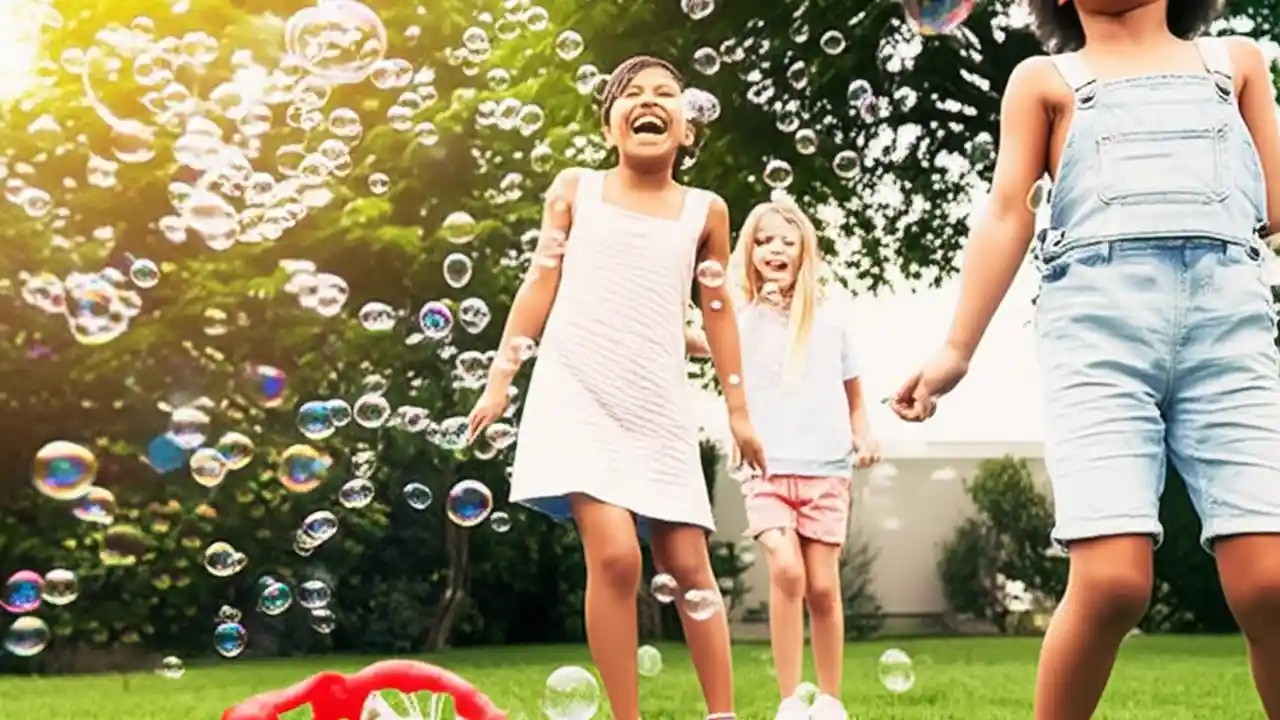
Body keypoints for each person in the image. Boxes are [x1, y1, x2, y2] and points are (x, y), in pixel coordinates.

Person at [889, 0, 1280, 716]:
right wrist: (955, 349)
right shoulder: (1046, 79)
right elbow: (1010, 211)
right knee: (1111, 584)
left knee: (1273, 582)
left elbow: (1277, 210)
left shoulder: (1238, 64)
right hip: (1098, 344)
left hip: (1232, 338)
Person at [466, 55, 766, 720]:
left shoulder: (706, 212)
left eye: (667, 93)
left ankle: (724, 715)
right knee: (616, 558)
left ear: (687, 130)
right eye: (631, 93)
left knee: (689, 563)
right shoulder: (577, 188)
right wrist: (500, 379)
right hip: (576, 389)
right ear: (610, 128)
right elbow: (539, 282)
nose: (649, 100)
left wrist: (739, 410)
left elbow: (717, 312)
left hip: (656, 398)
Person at [688, 197, 881, 720]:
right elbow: (696, 341)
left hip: (826, 469)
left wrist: (863, 433)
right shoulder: (741, 318)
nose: (774, 248)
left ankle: (833, 700)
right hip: (766, 471)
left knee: (822, 586)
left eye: (787, 241)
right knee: (787, 572)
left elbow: (854, 393)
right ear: (748, 252)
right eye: (763, 240)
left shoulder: (831, 318)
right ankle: (792, 700)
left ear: (804, 253)